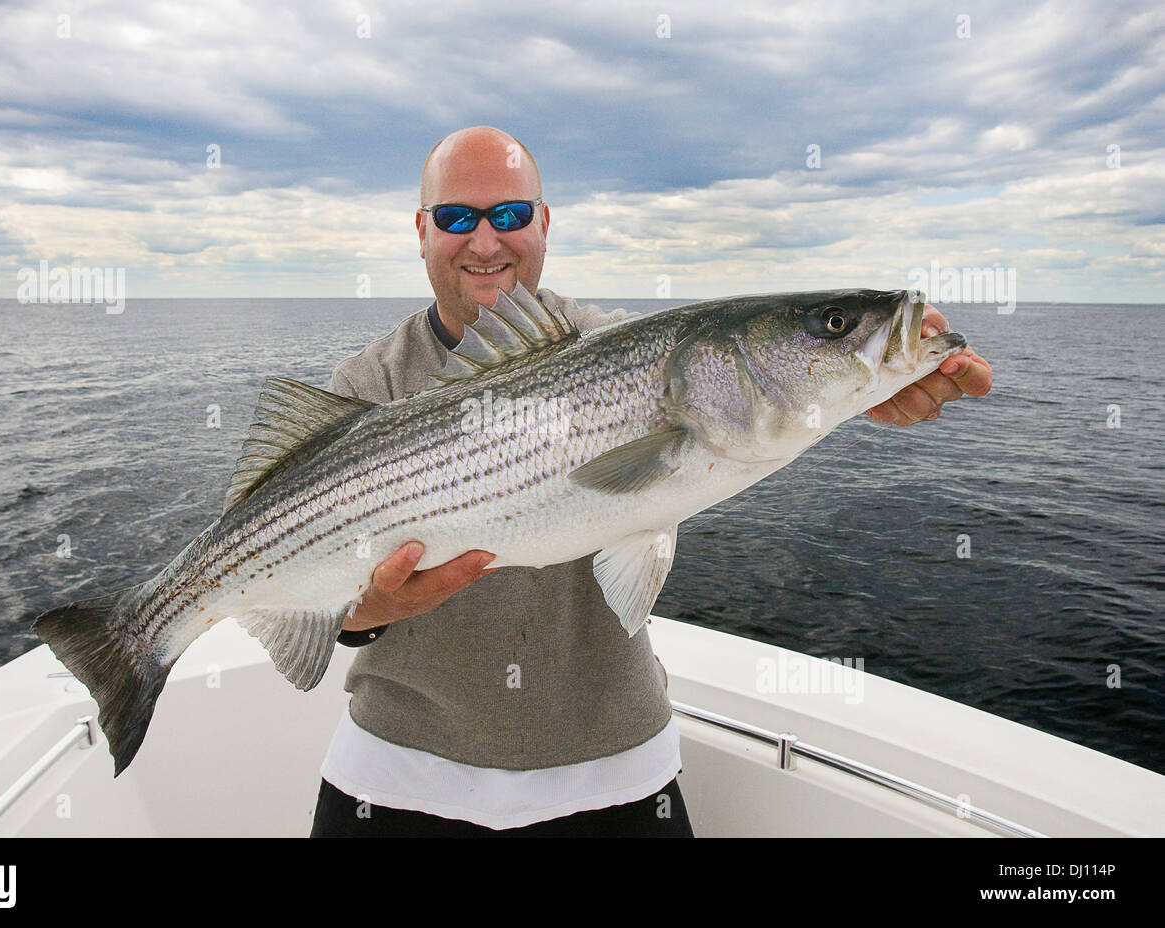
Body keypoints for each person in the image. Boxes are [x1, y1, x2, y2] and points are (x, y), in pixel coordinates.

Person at [309, 126, 993, 837]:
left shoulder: (627, 351)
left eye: (510, 215)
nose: (486, 241)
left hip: (617, 773)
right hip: (395, 777)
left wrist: (862, 390)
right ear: (421, 231)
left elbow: (756, 415)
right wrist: (373, 608)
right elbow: (318, 604)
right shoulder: (365, 386)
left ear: (544, 224)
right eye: (457, 218)